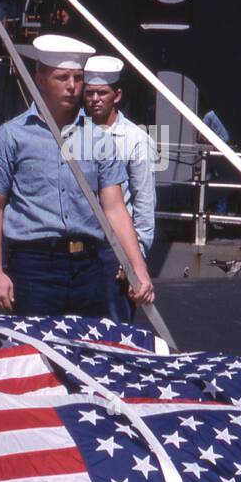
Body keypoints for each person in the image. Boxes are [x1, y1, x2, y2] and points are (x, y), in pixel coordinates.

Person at [0, 34, 154, 318]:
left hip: (91, 267)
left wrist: (138, 266)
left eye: (78, 77)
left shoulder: (99, 139)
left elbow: (115, 208)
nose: (72, 86)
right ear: (40, 78)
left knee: (96, 353)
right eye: (62, 77)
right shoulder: (11, 136)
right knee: (36, 357)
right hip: (34, 267)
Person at [83, 55, 157, 323]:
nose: (95, 99)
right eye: (89, 92)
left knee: (116, 331)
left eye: (102, 93)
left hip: (115, 252)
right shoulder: (71, 135)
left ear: (117, 95)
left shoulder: (137, 141)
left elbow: (143, 204)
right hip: (80, 252)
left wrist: (134, 259)